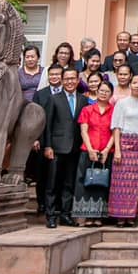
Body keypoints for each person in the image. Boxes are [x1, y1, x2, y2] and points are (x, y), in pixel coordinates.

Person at [40, 66, 88, 228]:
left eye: (72, 79)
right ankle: (51, 215)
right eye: (66, 79)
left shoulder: (83, 99)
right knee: (53, 183)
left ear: (78, 80)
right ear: (61, 80)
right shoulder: (54, 99)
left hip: (75, 148)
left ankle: (66, 215)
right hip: (56, 148)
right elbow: (47, 125)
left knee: (69, 183)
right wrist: (47, 146)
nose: (69, 82)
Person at [108, 75, 138, 227]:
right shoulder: (121, 103)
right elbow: (116, 126)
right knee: (120, 182)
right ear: (130, 84)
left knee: (136, 183)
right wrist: (118, 150)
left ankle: (131, 215)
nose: (137, 86)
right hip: (124, 143)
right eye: (135, 83)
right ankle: (119, 215)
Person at [75, 78, 116, 225]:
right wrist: (91, 149)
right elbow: (83, 130)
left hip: (106, 152)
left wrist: (106, 150)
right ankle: (85, 216)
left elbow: (115, 132)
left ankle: (98, 216)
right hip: (88, 150)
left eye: (107, 91)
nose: (103, 93)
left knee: (101, 184)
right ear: (96, 91)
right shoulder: (87, 109)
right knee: (85, 183)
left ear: (111, 94)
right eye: (101, 91)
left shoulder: (114, 110)